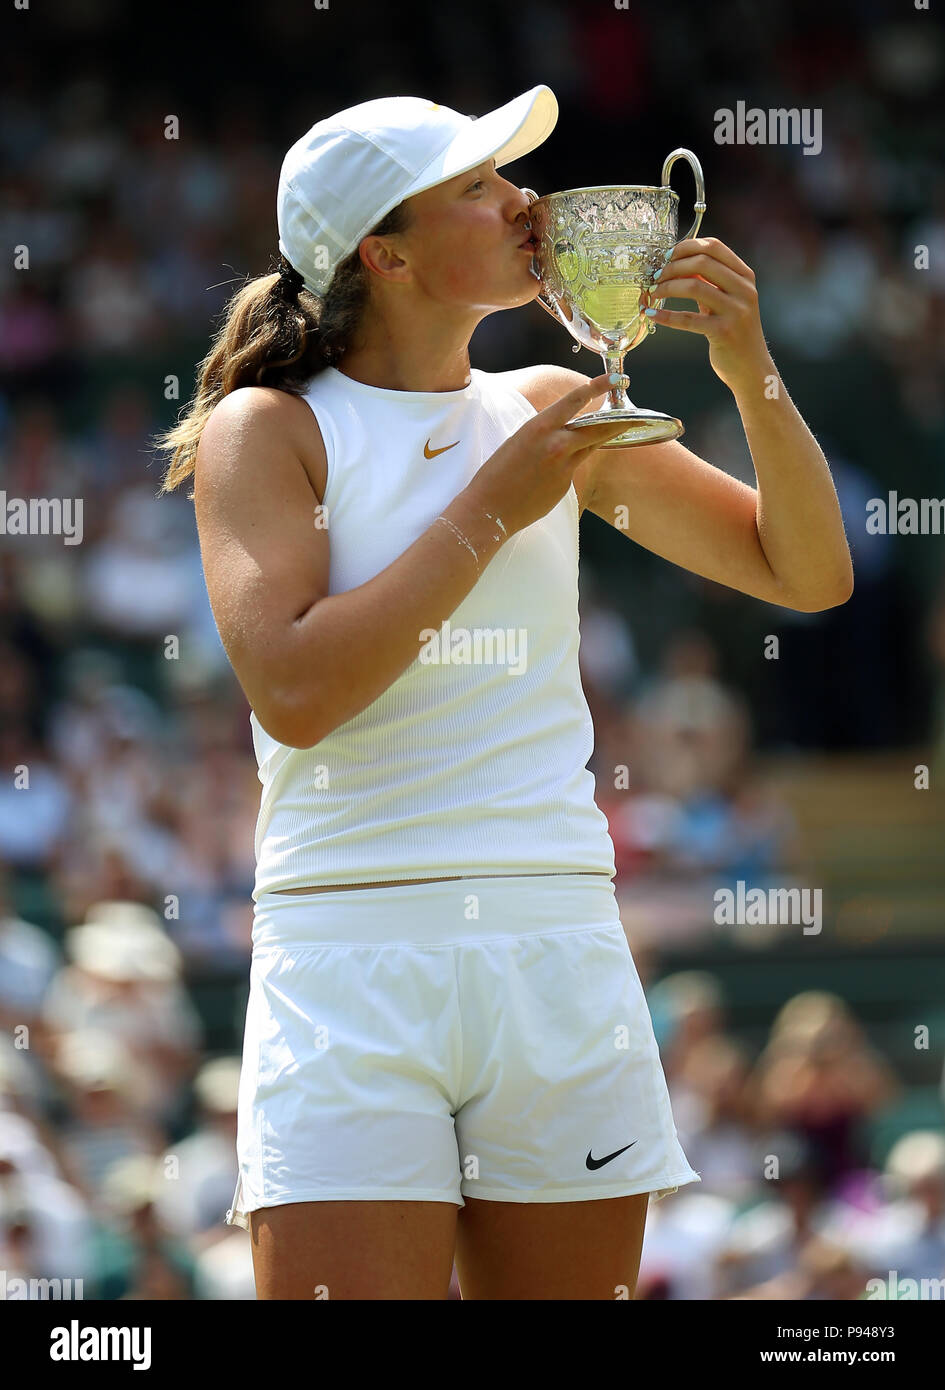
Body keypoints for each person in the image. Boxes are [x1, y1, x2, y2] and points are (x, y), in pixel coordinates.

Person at [154, 85, 853, 1300]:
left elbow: (808, 571)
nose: (526, 200)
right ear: (389, 252)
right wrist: (493, 506)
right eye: (480, 186)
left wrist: (751, 373)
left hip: (557, 942)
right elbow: (299, 691)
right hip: (349, 951)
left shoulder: (546, 409)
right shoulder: (265, 430)